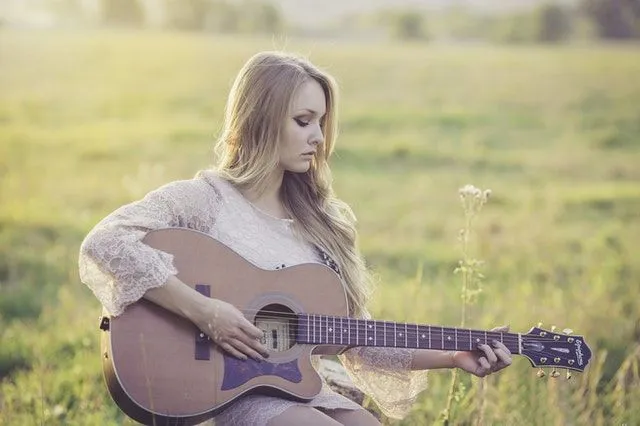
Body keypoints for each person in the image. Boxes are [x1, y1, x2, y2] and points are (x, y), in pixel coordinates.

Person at [79, 51, 512, 426]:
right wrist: (205, 311)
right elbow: (106, 242)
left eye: (322, 122)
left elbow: (354, 340)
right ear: (259, 120)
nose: (319, 138)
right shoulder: (203, 199)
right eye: (304, 121)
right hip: (230, 391)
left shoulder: (321, 222)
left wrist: (454, 356)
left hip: (291, 387)